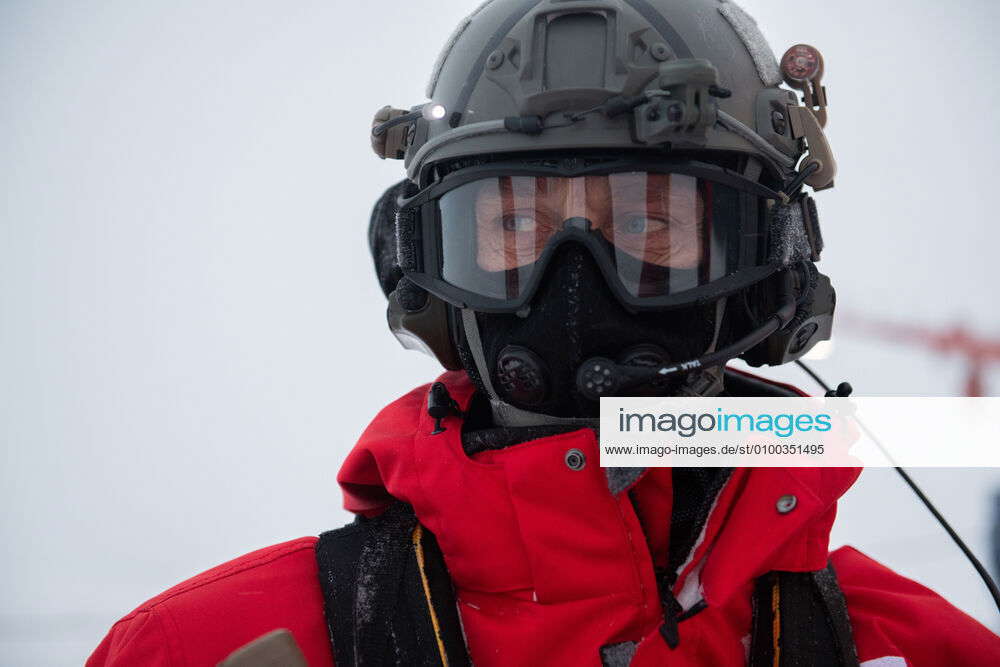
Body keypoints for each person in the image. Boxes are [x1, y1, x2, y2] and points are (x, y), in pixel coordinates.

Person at [89, 1, 1000, 665]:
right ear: (424, 270)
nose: (576, 284)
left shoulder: (918, 651)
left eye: (650, 225)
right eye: (514, 229)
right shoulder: (201, 650)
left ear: (772, 259)